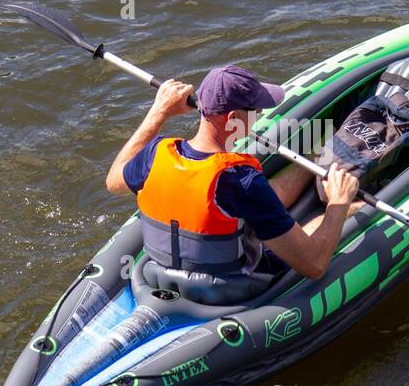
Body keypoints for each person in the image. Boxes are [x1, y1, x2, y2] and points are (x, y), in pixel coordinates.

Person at [106, 64, 360, 281]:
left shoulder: (155, 154)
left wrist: (159, 111)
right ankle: (352, 204)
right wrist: (338, 202)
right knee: (339, 208)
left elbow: (113, 182)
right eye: (255, 112)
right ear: (233, 119)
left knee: (257, 197)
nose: (258, 116)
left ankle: (316, 158)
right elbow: (314, 265)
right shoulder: (241, 180)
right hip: (234, 283)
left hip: (163, 270)